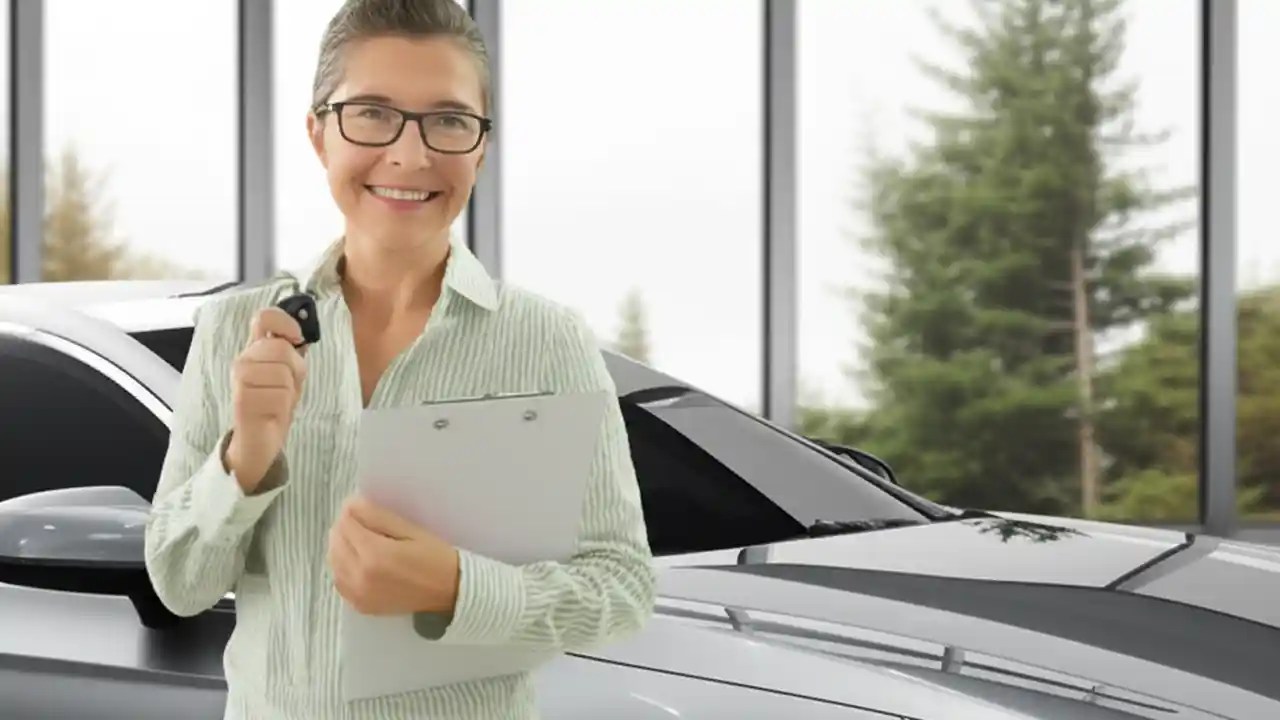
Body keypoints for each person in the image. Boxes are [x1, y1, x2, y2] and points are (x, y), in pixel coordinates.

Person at [142, 1, 656, 718]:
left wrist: (456, 587)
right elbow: (178, 582)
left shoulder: (550, 341)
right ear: (319, 134)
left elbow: (622, 585)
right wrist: (245, 459)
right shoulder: (233, 330)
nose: (410, 155)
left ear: (481, 146)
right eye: (373, 113)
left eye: (448, 120)